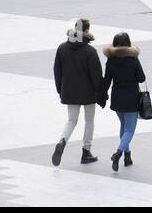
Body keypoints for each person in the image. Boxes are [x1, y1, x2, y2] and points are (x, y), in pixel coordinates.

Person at [52, 17, 105, 166]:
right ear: (87, 30)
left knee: (71, 121)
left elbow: (57, 70)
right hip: (88, 94)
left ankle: (62, 141)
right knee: (89, 121)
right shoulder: (90, 51)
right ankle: (86, 152)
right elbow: (96, 75)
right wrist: (101, 93)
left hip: (69, 91)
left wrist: (60, 89)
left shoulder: (62, 48)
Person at [100, 32, 146, 172]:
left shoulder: (111, 60)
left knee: (123, 126)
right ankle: (118, 153)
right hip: (131, 98)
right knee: (129, 130)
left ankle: (127, 156)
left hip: (117, 98)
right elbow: (141, 77)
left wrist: (101, 95)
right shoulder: (133, 59)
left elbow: (106, 81)